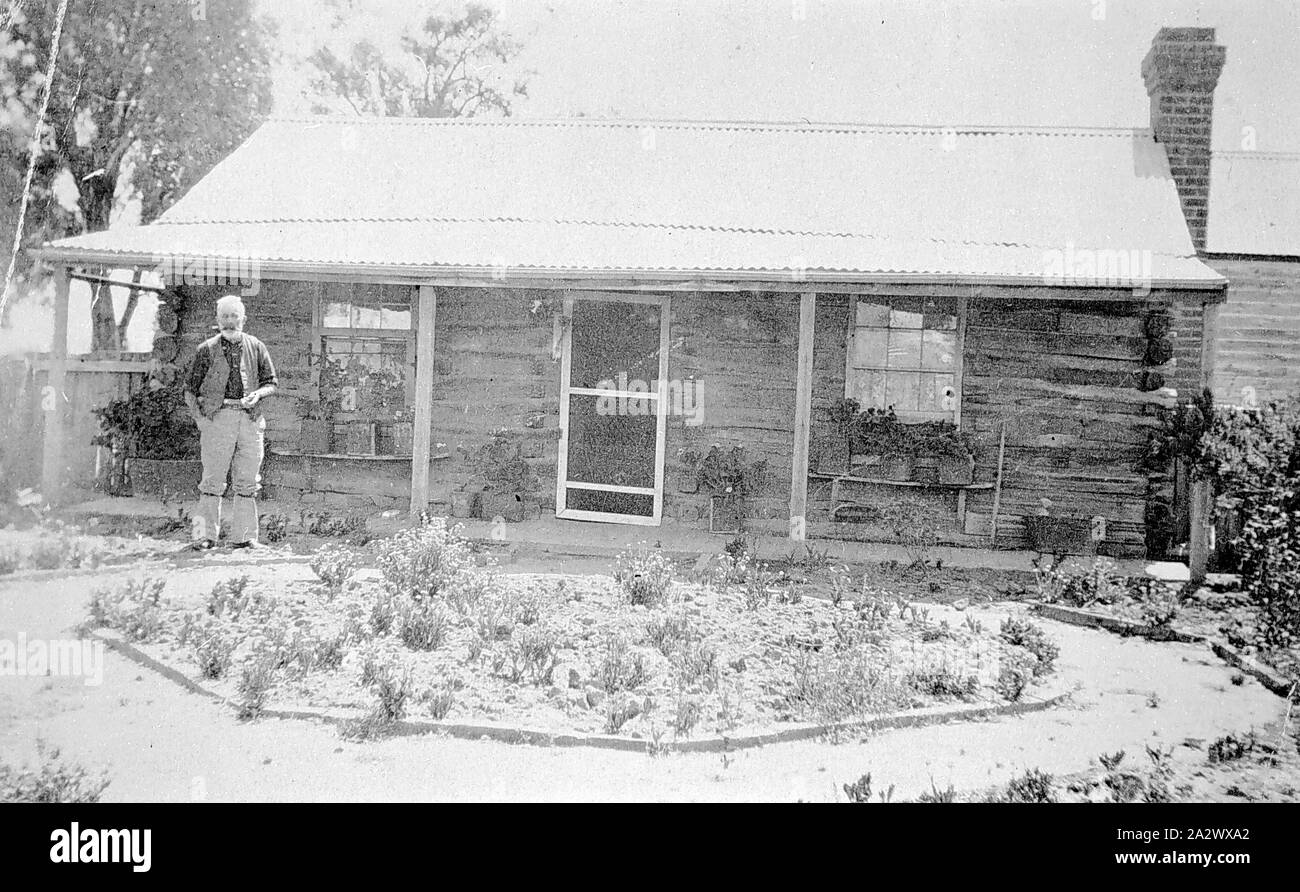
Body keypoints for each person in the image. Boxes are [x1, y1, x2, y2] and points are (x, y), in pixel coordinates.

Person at [183, 294, 278, 549]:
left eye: (234, 316)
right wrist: (201, 421)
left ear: (243, 319)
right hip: (218, 419)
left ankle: (246, 538)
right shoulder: (206, 350)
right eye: (224, 316)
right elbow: (190, 391)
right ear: (217, 319)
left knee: (248, 482)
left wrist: (258, 394)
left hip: (249, 420)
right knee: (211, 481)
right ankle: (202, 537)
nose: (229, 321)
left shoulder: (256, 346)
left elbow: (271, 383)